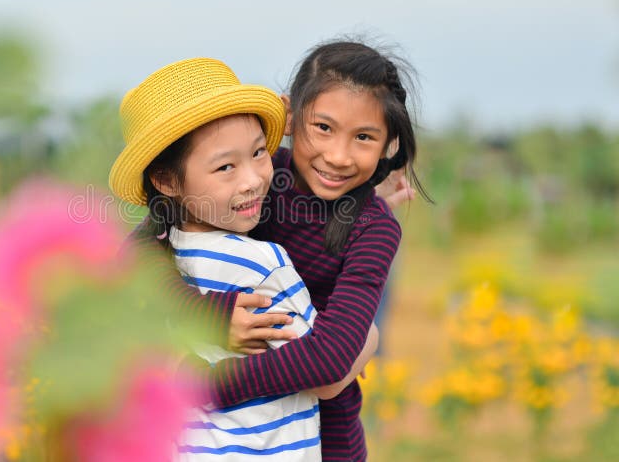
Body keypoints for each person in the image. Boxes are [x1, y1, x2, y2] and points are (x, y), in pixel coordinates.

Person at [162, 40, 429, 461]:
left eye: (363, 137)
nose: (337, 156)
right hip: (217, 437)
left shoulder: (374, 228)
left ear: (388, 143)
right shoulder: (259, 174)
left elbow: (329, 359)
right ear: (289, 117)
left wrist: (207, 385)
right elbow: (142, 247)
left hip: (318, 438)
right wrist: (206, 314)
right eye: (322, 127)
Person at [108, 58, 379, 460]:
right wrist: (371, 335)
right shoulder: (261, 263)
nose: (253, 179)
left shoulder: (170, 249)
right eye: (225, 167)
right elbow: (328, 368)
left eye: (258, 153)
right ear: (165, 180)